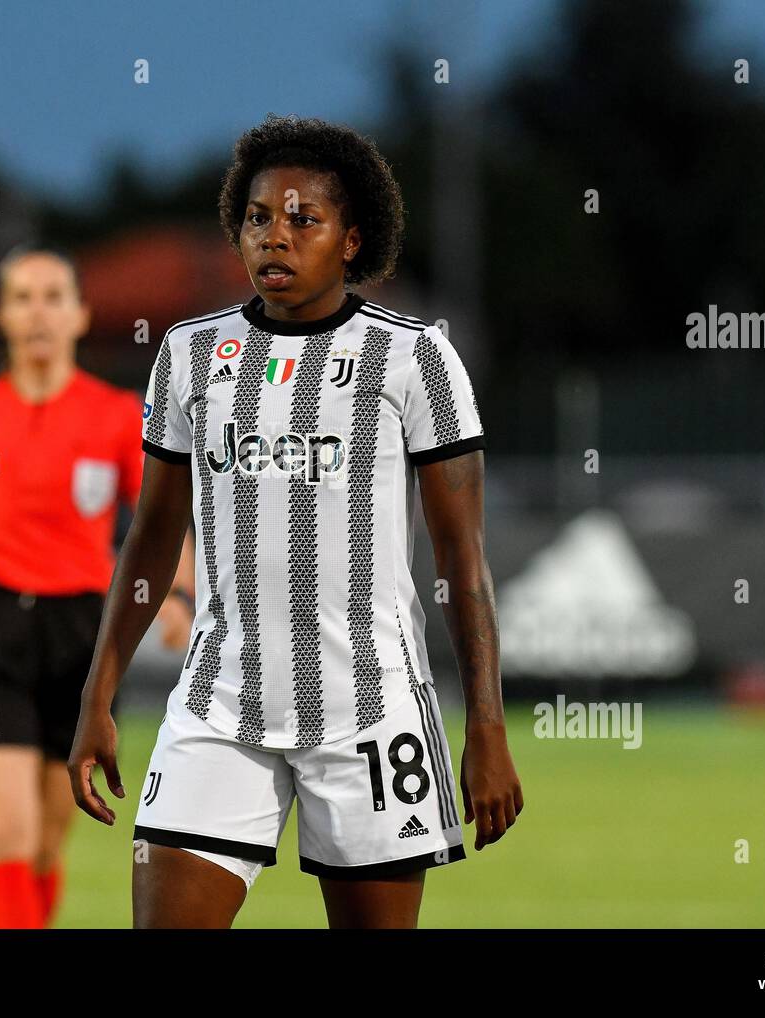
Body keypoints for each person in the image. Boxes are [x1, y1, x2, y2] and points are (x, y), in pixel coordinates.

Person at [68, 114, 523, 929]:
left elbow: (463, 558)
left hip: (369, 714)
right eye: (257, 218)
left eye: (301, 220)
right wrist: (97, 695)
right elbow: (150, 537)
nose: (274, 237)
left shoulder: (416, 358)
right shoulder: (189, 353)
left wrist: (485, 724)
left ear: (351, 240)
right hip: (217, 709)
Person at [0, 245, 194, 928]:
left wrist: (178, 597)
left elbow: (160, 523)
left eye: (54, 296)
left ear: (81, 314)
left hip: (81, 644)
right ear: (0, 314)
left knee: (46, 846)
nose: (38, 312)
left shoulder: (117, 416)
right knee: (8, 835)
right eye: (22, 297)